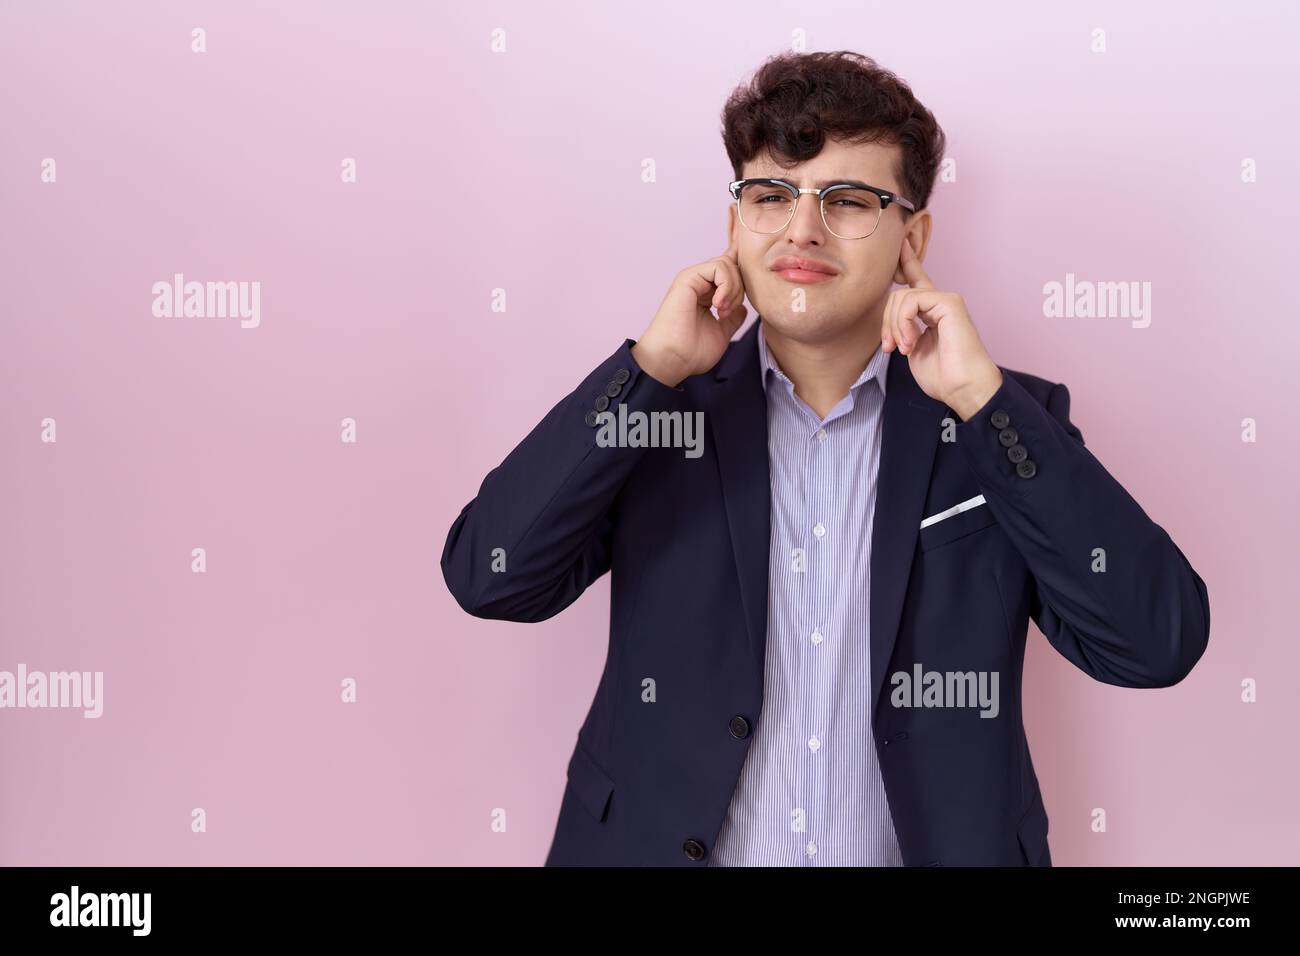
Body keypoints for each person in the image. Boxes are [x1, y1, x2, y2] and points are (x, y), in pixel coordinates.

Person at [440, 50, 1210, 866]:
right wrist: (650, 370)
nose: (802, 229)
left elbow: (1153, 644)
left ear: (913, 234)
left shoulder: (1000, 421)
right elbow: (491, 577)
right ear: (735, 223)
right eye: (771, 197)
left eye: (848, 200)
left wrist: (982, 403)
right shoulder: (658, 413)